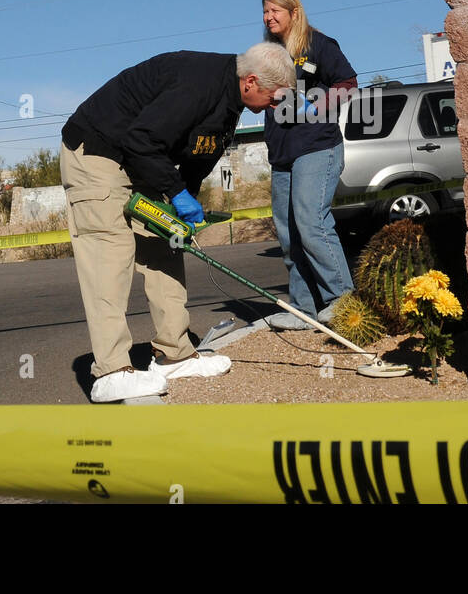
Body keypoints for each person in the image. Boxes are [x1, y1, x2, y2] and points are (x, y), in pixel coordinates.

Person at [60, 42, 295, 402]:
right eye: (275, 97)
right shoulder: (197, 83)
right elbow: (141, 139)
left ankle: (174, 354)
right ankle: (110, 370)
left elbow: (198, 153)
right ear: (250, 82)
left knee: (166, 246)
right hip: (98, 153)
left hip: (143, 160)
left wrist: (182, 197)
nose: (277, 105)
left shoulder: (231, 101)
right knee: (111, 254)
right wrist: (176, 191)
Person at [260, 0, 359, 330]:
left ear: (294, 12)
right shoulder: (268, 53)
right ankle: (304, 308)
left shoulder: (319, 44)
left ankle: (343, 301)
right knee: (288, 235)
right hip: (282, 153)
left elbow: (347, 84)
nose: (269, 17)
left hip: (317, 147)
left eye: (275, 11)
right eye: (265, 12)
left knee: (311, 223)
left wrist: (313, 105)